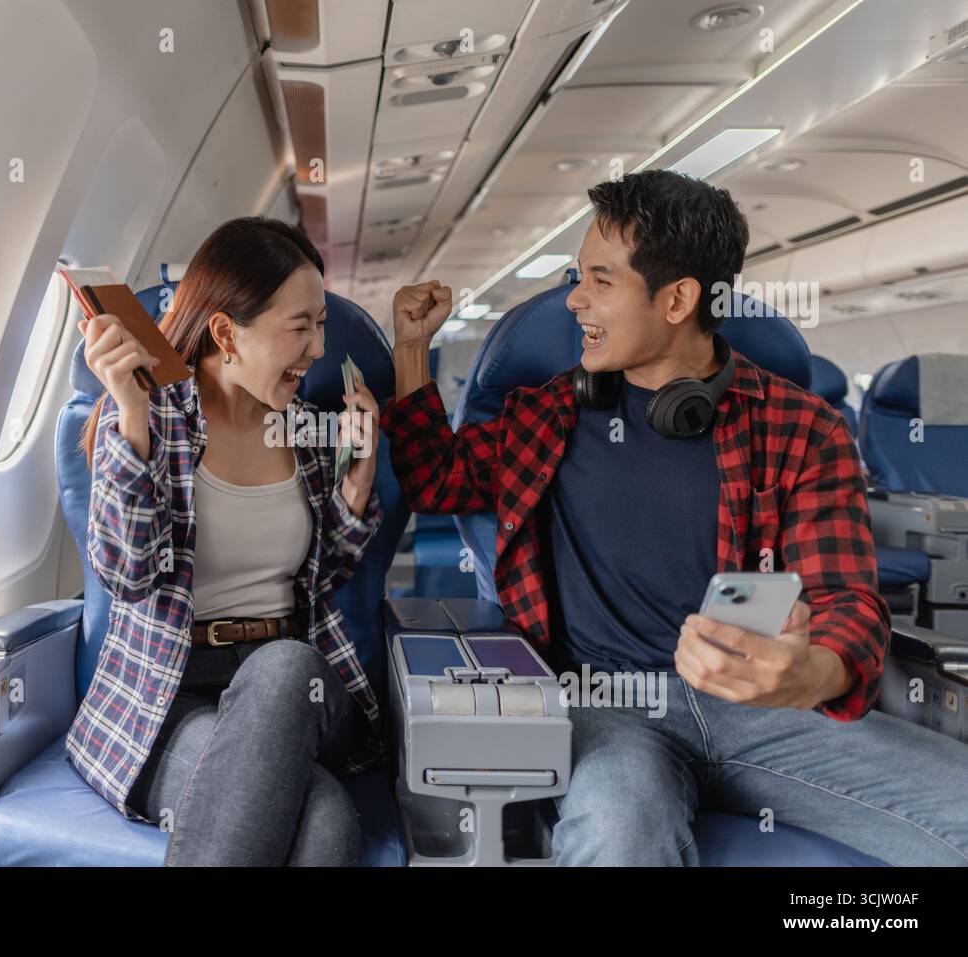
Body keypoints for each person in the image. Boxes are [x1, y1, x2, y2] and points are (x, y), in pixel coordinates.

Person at [379, 170, 968, 865]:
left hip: (764, 709)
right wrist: (412, 349)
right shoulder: (543, 415)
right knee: (619, 828)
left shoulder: (802, 427)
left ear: (679, 299)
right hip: (602, 703)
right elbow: (434, 476)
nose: (573, 300)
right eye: (577, 276)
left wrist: (813, 671)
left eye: (600, 280)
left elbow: (845, 596)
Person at [64, 217, 384, 865]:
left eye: (322, 324)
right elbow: (127, 575)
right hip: (169, 692)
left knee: (285, 665)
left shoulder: (309, 432)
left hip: (299, 689)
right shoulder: (154, 420)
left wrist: (357, 480)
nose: (319, 348)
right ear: (225, 333)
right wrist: (130, 416)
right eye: (301, 326)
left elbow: (328, 576)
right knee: (323, 824)